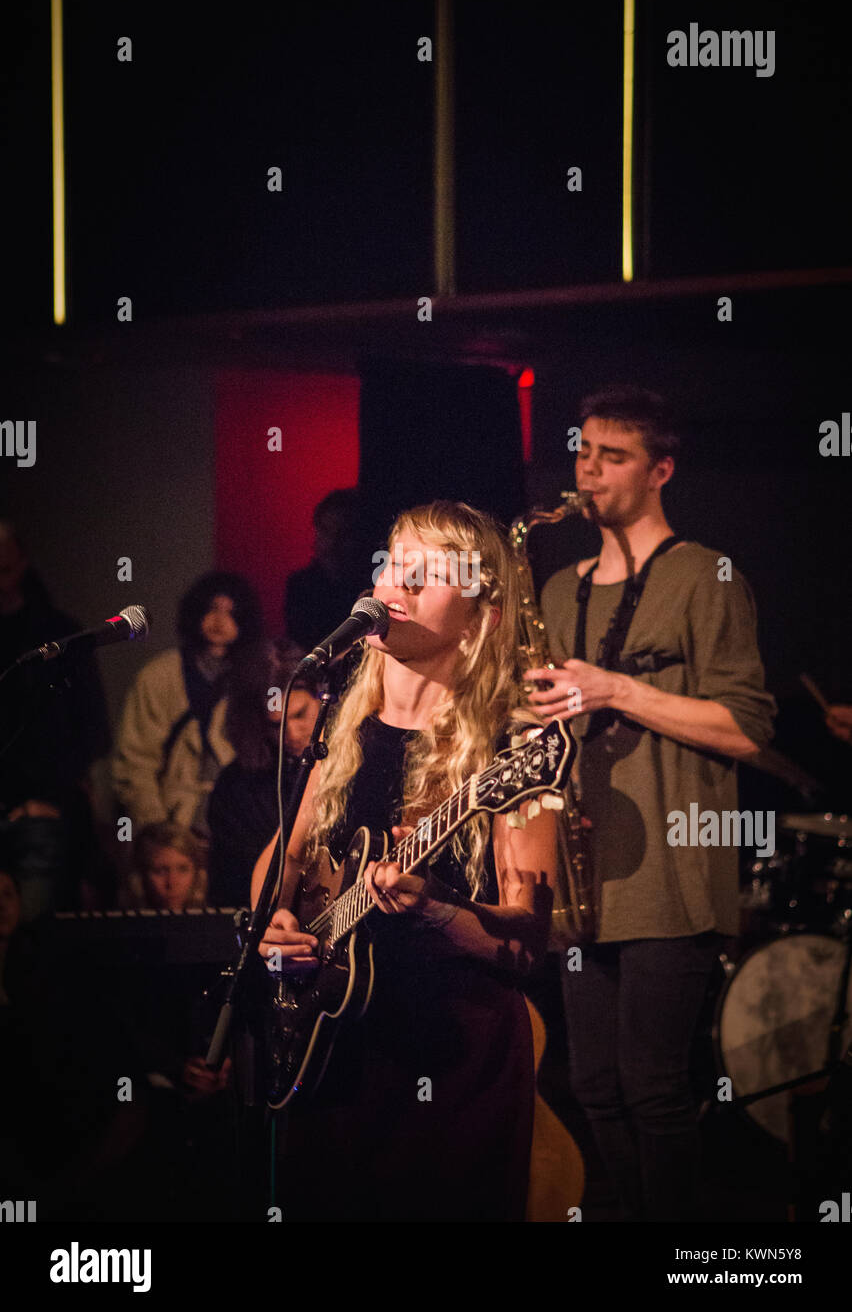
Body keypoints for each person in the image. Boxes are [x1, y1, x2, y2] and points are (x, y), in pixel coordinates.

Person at [251, 500, 558, 1222]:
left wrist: (435, 909)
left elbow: (526, 943)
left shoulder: (516, 744)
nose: (401, 585)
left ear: (481, 616)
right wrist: (279, 922)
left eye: (431, 574)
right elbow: (283, 853)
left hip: (454, 1060)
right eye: (395, 565)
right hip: (338, 1047)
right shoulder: (344, 721)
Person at [526, 387, 776, 1222]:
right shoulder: (559, 587)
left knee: (656, 1090)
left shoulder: (706, 574)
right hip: (581, 875)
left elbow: (745, 727)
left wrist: (617, 690)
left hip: (672, 874)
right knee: (594, 1086)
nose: (588, 470)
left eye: (614, 456)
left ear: (661, 470)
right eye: (584, 451)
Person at [0, 520, 110, 919]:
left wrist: (46, 799)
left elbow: (90, 727)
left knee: (33, 936)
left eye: (5, 568)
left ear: (22, 563)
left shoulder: (57, 635)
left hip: (42, 812)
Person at [111, 571, 264, 845]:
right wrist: (156, 829)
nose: (219, 621)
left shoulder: (257, 678)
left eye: (231, 612)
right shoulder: (159, 676)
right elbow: (135, 762)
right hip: (172, 823)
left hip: (234, 827)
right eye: (211, 609)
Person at [207, 641, 319, 907]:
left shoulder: (354, 760)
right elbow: (235, 887)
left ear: (322, 696)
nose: (292, 734)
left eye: (300, 715)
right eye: (276, 725)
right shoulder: (236, 790)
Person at [283, 487, 364, 651]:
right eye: (327, 530)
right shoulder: (301, 586)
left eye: (342, 533)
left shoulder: (368, 587)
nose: (334, 541)